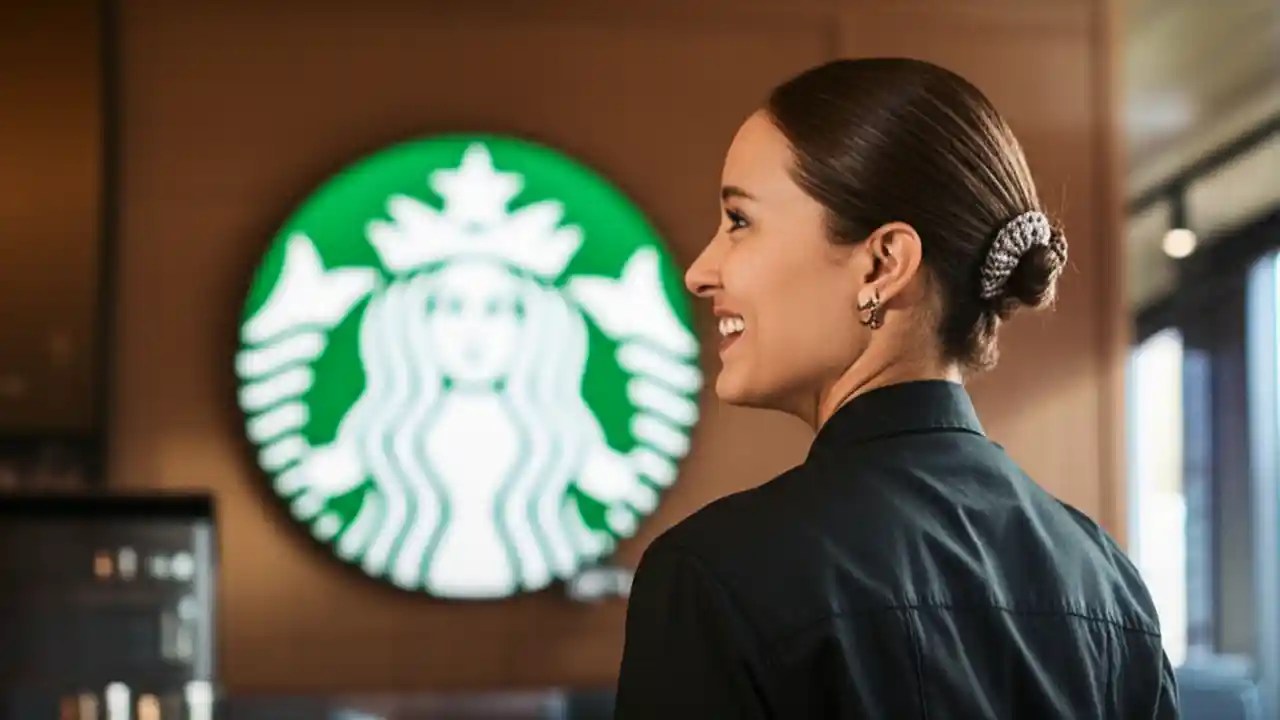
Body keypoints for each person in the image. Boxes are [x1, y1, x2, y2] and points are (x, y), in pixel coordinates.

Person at [614, 58, 1178, 719]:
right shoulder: (1108, 584)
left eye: (739, 221)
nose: (701, 272)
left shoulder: (714, 576)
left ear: (883, 263)